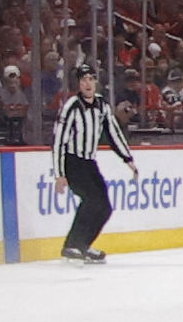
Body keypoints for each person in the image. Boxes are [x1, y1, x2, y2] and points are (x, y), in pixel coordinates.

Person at [54, 64, 139, 266]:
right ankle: (72, 244)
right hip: (72, 161)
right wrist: (59, 174)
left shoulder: (102, 105)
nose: (88, 83)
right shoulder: (72, 106)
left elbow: (113, 133)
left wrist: (128, 159)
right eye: (83, 80)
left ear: (96, 82)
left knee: (105, 207)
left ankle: (83, 245)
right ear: (78, 83)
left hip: (89, 162)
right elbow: (59, 141)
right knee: (91, 200)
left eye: (91, 79)